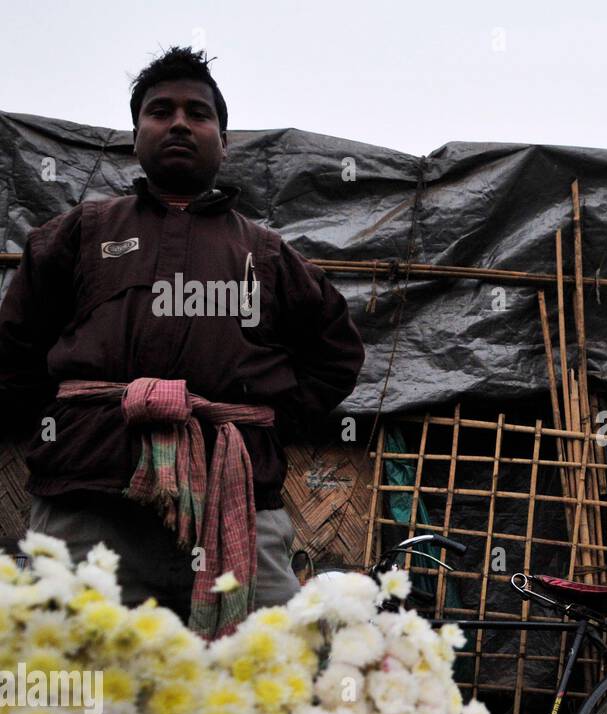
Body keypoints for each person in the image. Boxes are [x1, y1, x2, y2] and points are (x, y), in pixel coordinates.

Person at [0, 47, 365, 637]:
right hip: (91, 503)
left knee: (256, 677)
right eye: (159, 110)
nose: (178, 122)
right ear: (136, 134)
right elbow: (14, 352)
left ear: (223, 141)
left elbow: (338, 354)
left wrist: (256, 426)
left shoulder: (267, 255)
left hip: (236, 504)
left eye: (198, 113)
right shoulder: (78, 235)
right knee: (83, 686)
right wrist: (73, 426)